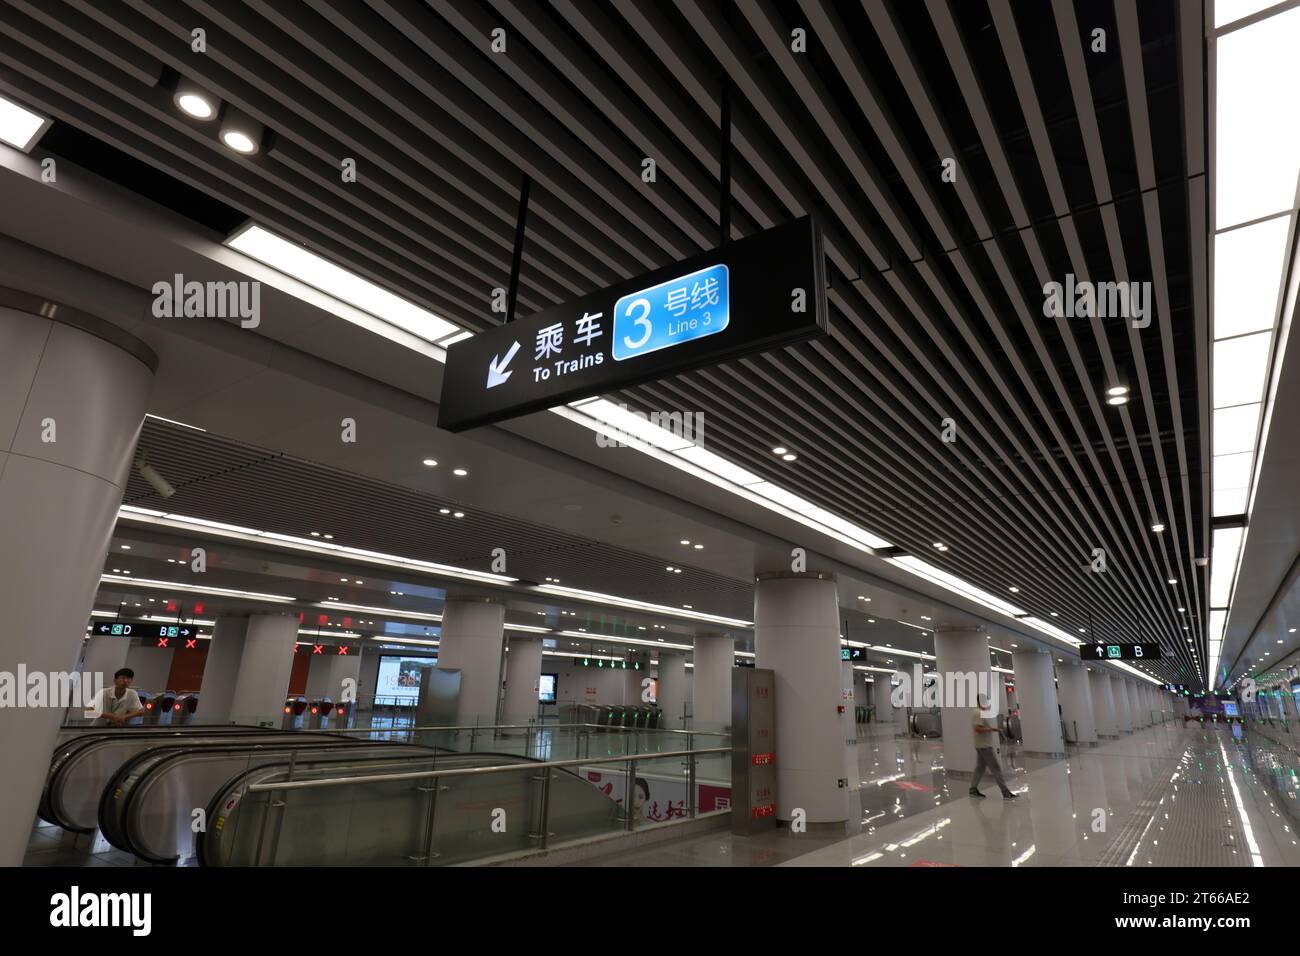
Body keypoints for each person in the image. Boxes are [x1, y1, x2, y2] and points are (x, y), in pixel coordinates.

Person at [969, 693, 1017, 799]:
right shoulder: (978, 713)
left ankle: (973, 789)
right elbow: (978, 729)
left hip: (982, 745)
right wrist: (992, 729)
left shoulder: (979, 713)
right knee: (996, 768)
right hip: (984, 747)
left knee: (980, 768)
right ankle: (1005, 792)